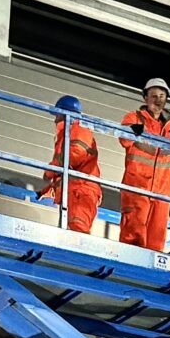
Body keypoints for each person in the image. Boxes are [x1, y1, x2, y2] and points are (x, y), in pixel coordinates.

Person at [117, 79, 170, 254]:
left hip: (162, 193)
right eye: (153, 96)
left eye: (162, 96)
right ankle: (129, 263)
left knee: (157, 238)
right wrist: (132, 131)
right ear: (145, 98)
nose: (158, 100)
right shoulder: (134, 118)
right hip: (137, 187)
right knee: (133, 232)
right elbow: (123, 138)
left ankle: (151, 269)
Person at [45, 94, 102, 236]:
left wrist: (50, 170)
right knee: (73, 233)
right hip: (76, 190)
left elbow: (74, 157)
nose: (55, 119)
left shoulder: (78, 130)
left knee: (78, 235)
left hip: (81, 192)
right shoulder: (69, 132)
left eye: (57, 115)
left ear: (64, 114)